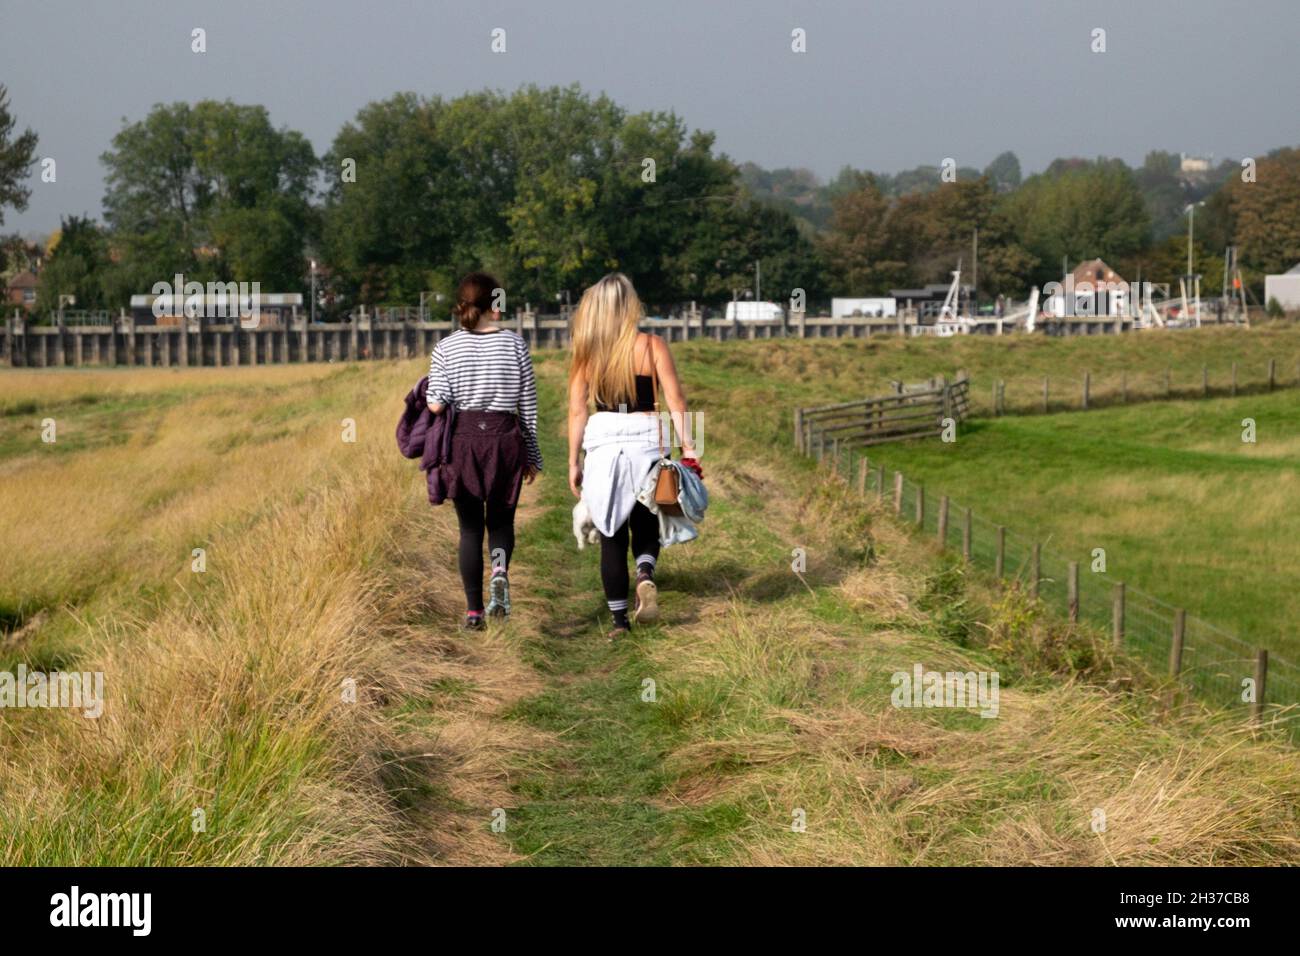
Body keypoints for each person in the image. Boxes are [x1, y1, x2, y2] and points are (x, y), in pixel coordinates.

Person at [567, 273, 701, 640]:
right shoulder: (652, 345)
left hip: (605, 443)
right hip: (648, 440)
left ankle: (619, 623)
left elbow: (578, 411)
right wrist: (690, 448)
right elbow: (676, 401)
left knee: (611, 533)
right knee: (646, 518)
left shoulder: (587, 356)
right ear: (630, 306)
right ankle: (644, 572)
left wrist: (573, 462)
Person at [428, 272, 541, 629]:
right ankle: (499, 568)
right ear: (495, 306)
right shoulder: (515, 344)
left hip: (464, 441)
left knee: (470, 529)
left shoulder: (446, 348)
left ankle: (474, 613)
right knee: (502, 521)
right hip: (505, 439)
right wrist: (533, 455)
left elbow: (435, 404)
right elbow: (529, 405)